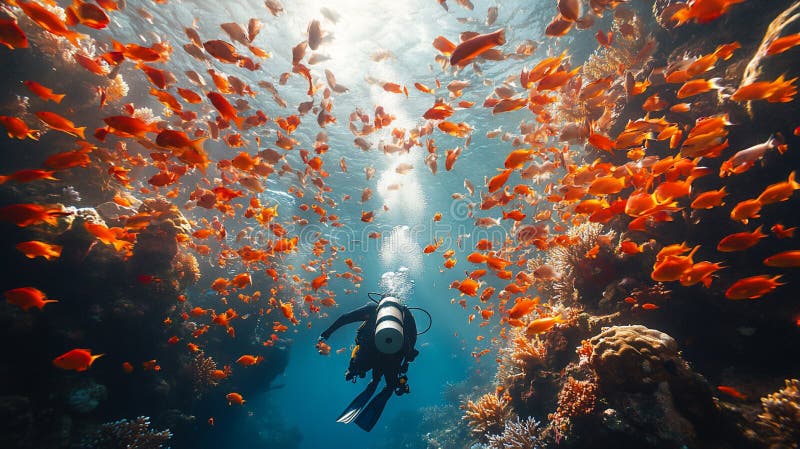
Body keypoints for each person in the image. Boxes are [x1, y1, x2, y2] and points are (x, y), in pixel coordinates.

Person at [317, 294, 419, 431]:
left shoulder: (373, 308)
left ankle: (361, 375)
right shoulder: (407, 316)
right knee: (391, 384)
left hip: (368, 354)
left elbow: (345, 318)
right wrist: (405, 363)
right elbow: (412, 342)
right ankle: (383, 385)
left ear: (382, 300)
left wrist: (326, 333)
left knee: (357, 368)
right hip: (392, 357)